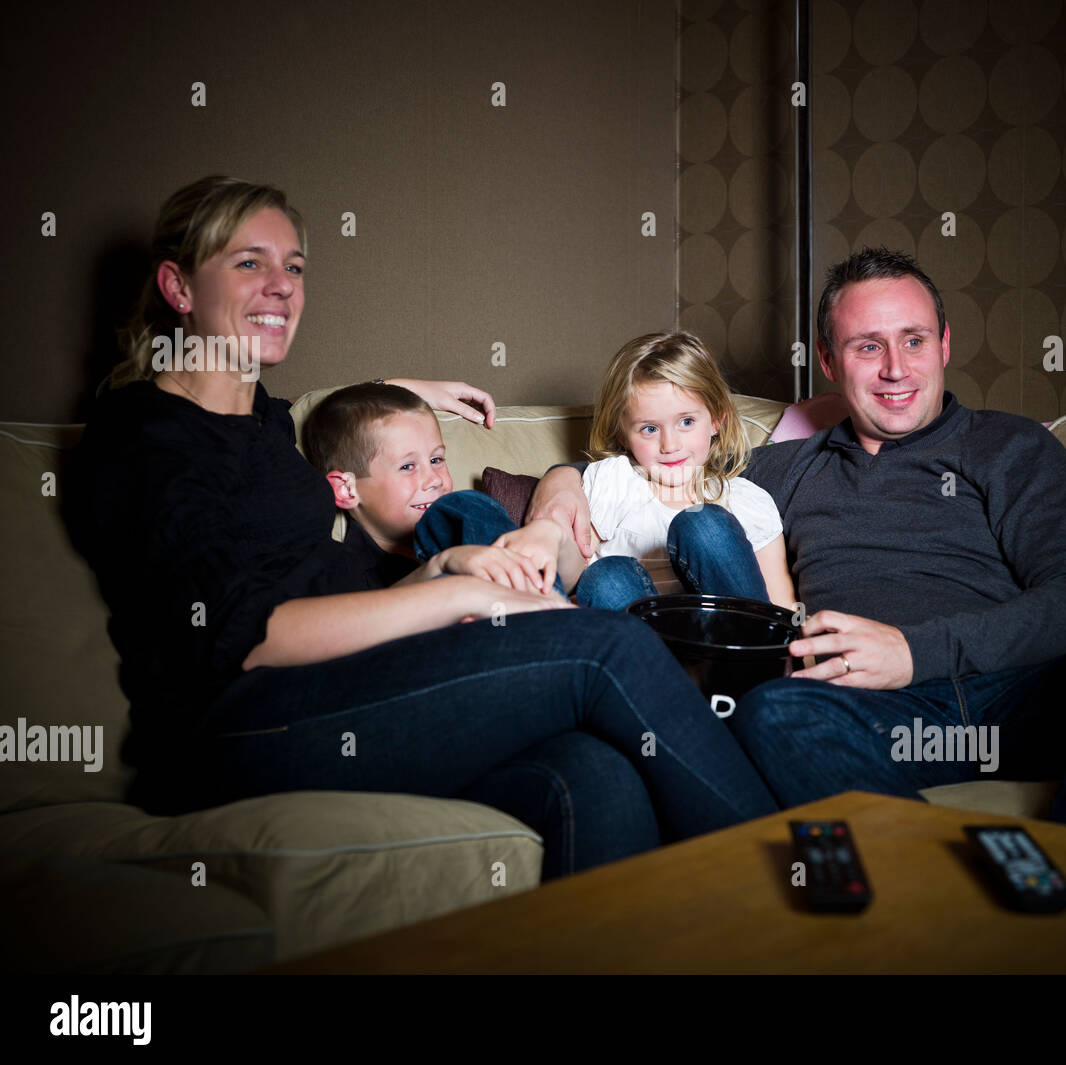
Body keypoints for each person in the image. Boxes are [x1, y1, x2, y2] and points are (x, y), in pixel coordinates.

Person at [65, 176, 777, 882]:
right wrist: (461, 597)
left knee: (595, 773)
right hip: (238, 728)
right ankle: (798, 883)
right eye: (249, 262)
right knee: (608, 647)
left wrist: (439, 561)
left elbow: (326, 425)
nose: (281, 285)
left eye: (295, 266)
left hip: (344, 690)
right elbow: (253, 636)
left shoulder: (264, 426)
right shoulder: (140, 439)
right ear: (178, 287)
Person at [529, 247, 1066, 846]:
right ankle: (949, 886)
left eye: (914, 340)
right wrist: (560, 486)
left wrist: (914, 651)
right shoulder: (782, 469)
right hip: (871, 713)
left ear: (945, 345)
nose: (896, 367)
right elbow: (657, 469)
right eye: (869, 346)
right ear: (832, 363)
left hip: (1025, 691)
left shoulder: (1012, 447)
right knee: (773, 711)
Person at [574, 331, 797, 612]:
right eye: (650, 429)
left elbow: (781, 605)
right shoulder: (613, 482)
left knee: (704, 525)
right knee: (607, 577)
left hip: (734, 641)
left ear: (716, 421)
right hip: (646, 645)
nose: (670, 445)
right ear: (622, 436)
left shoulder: (748, 501)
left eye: (687, 422)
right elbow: (573, 565)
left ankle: (744, 657)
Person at [300, 381, 584, 597]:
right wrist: (444, 568)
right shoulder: (347, 571)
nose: (434, 479)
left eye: (436, 459)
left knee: (468, 506)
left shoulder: (468, 524)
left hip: (546, 608)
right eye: (407, 467)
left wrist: (552, 534)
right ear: (347, 490)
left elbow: (571, 582)